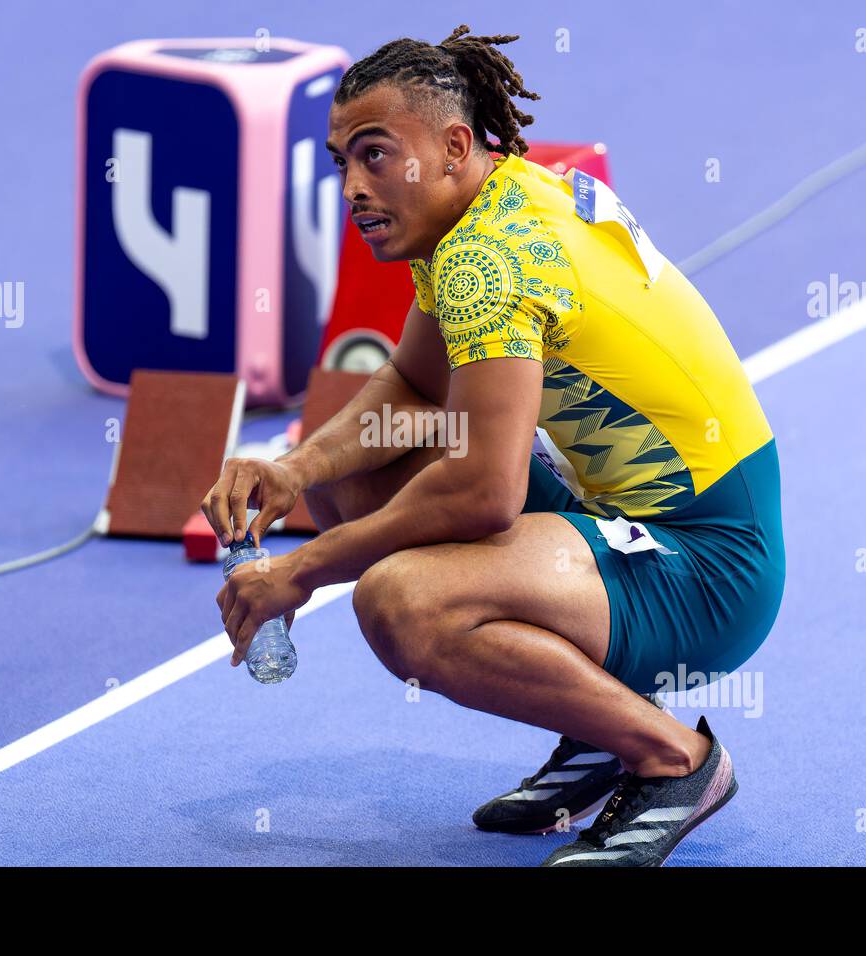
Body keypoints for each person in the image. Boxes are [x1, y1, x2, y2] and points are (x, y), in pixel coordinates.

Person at [205, 25, 785, 867]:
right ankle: (597, 731)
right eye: (342, 163)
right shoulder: (487, 205)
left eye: (375, 156)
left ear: (451, 145)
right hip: (627, 519)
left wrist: (301, 568)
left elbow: (484, 492)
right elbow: (410, 390)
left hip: (711, 565)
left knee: (402, 602)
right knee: (352, 484)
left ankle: (671, 760)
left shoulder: (491, 258)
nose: (355, 188)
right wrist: (292, 469)